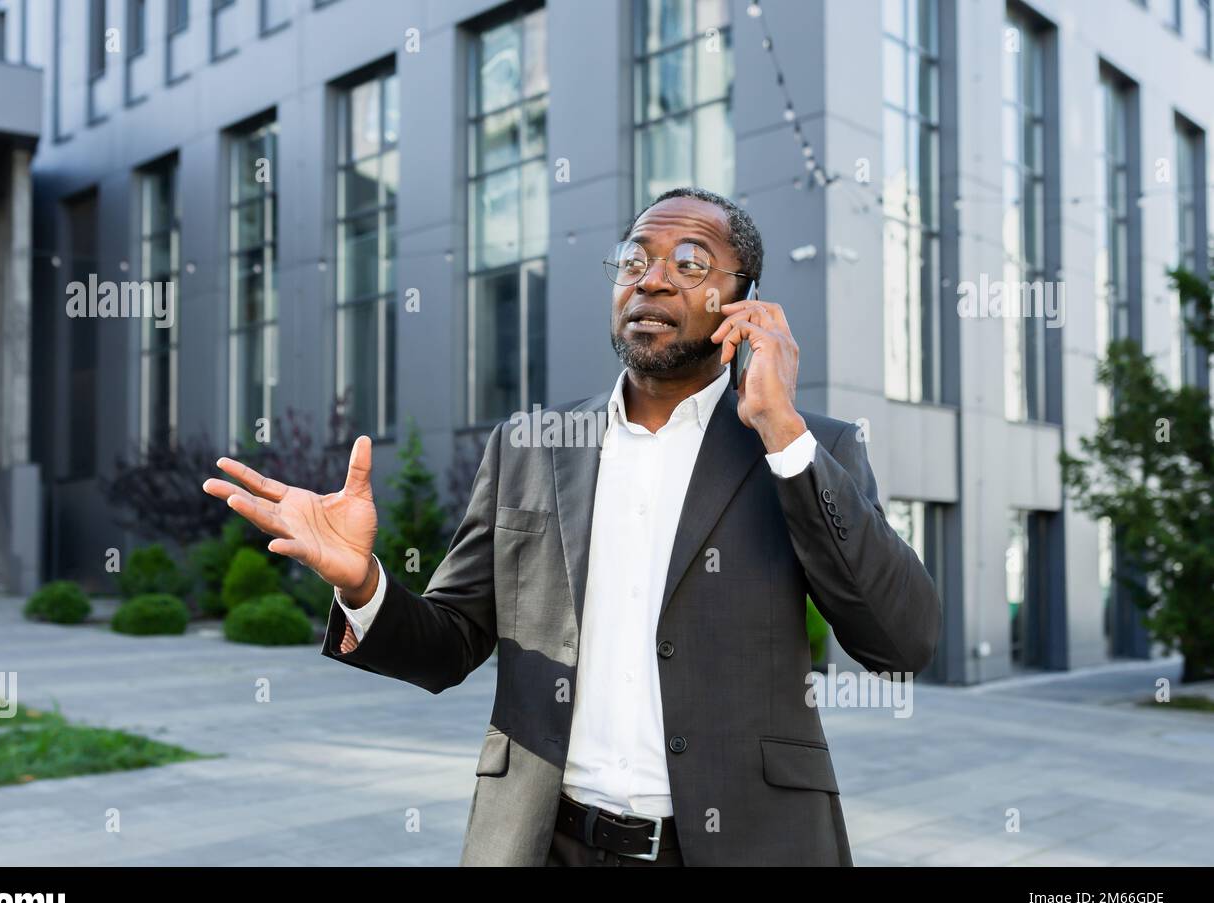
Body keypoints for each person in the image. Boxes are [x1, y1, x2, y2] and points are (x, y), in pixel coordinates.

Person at [203, 186, 942, 866]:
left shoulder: (809, 449)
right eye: (634, 259)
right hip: (547, 845)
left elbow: (899, 642)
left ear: (745, 302)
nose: (651, 279)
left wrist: (782, 432)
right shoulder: (528, 446)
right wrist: (364, 584)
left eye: (690, 263)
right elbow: (449, 645)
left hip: (740, 846)